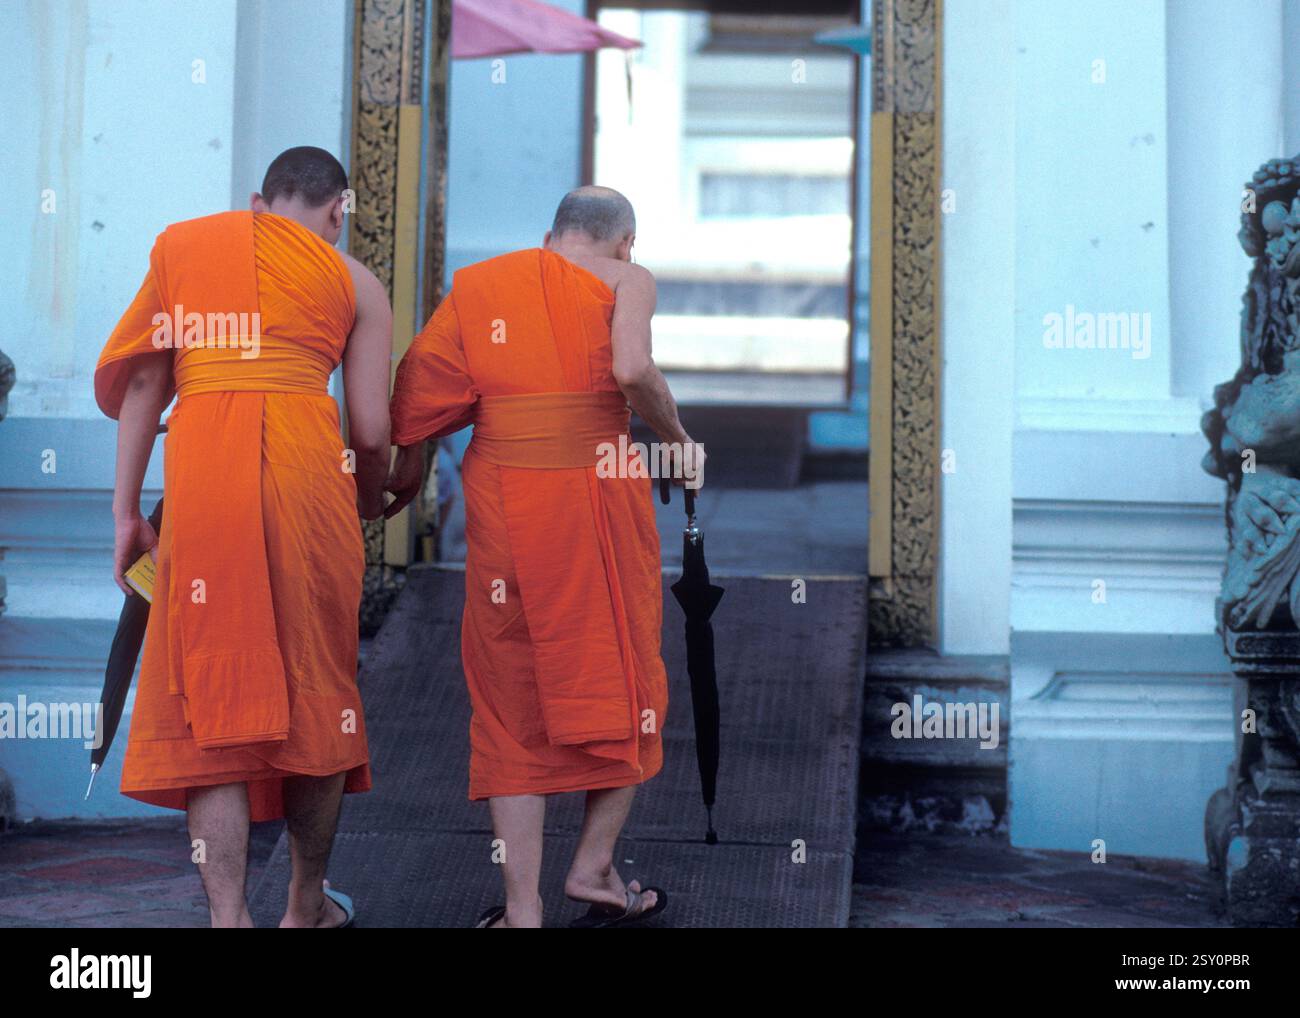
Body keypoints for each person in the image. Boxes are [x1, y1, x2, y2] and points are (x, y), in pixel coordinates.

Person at [386, 185, 704, 928]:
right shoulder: (627, 277)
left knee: (507, 699)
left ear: (549, 235)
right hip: (595, 501)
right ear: (626, 242)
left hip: (505, 499)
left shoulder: (482, 288)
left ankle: (521, 910)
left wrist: (402, 482)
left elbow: (417, 398)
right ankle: (592, 867)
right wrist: (679, 442)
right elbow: (631, 371)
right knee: (626, 677)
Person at [95, 146, 393, 928]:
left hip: (205, 488)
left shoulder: (187, 249)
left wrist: (127, 515)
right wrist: (367, 499)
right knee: (319, 693)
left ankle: (231, 920)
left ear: (258, 201)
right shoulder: (355, 281)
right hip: (309, 486)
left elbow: (145, 385)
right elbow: (370, 430)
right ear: (339, 211)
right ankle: (305, 904)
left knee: (209, 706)